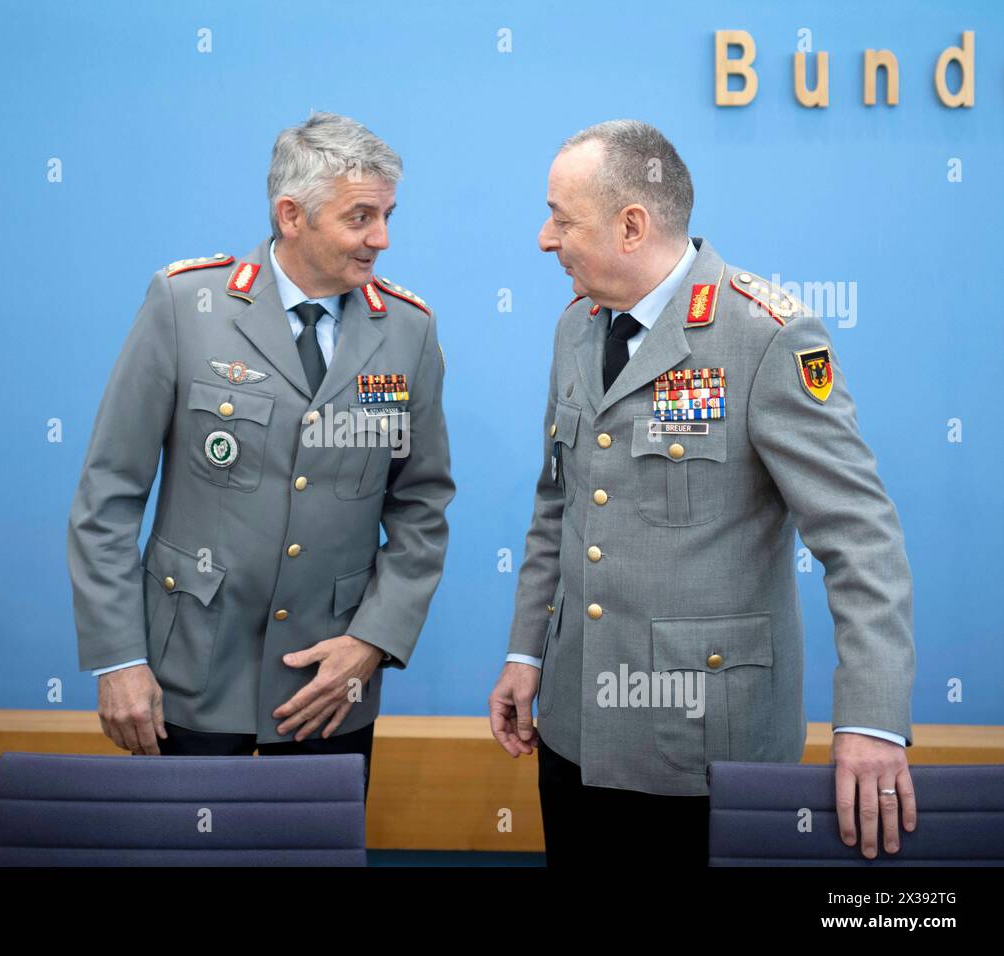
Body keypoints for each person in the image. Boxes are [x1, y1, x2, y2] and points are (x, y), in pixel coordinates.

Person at [488, 119, 917, 865]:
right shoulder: (577, 328)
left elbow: (862, 540)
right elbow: (555, 507)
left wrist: (873, 723)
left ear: (631, 225)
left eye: (561, 219)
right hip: (574, 731)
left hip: (706, 749)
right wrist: (527, 653)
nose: (544, 239)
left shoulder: (768, 335)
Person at [67, 112, 453, 799]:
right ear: (291, 214)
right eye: (360, 217)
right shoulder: (188, 305)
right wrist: (118, 658)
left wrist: (370, 645)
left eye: (388, 215)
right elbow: (109, 494)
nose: (381, 240)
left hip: (328, 685)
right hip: (188, 674)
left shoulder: (409, 333)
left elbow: (422, 508)